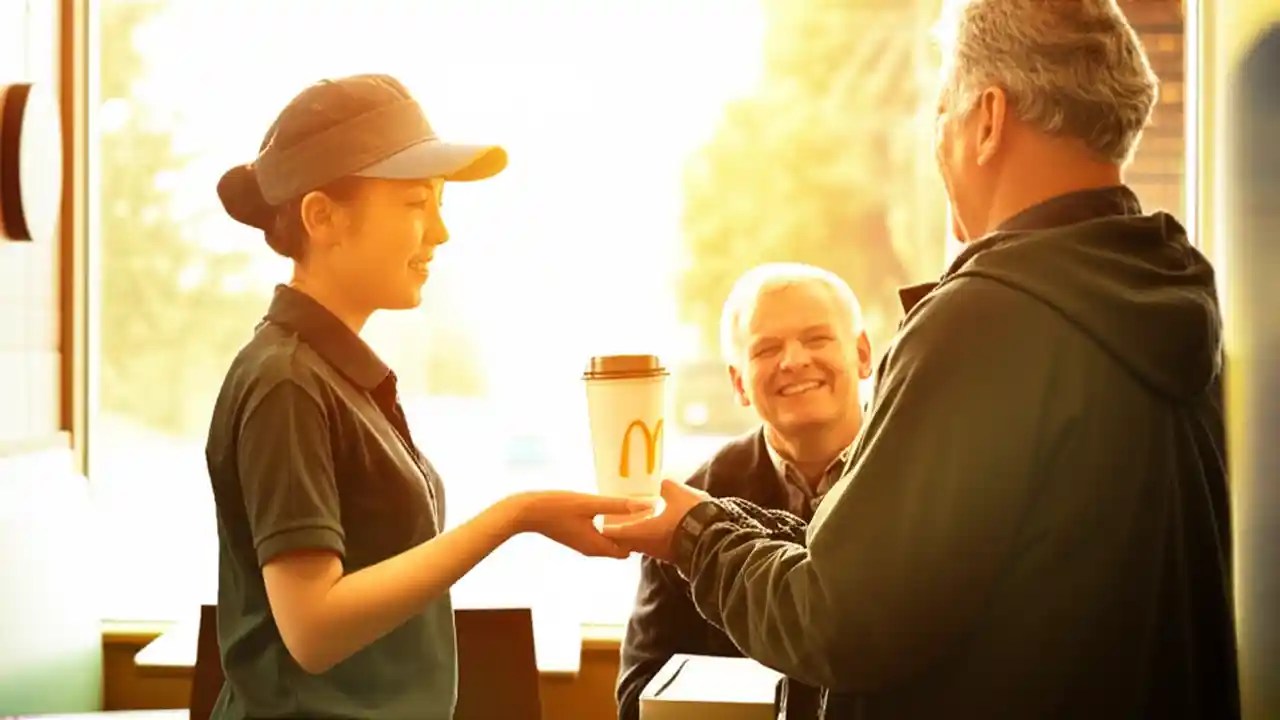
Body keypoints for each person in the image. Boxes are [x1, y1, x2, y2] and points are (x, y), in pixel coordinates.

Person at [606, 1, 1240, 718]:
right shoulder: (1173, 296)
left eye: (943, 111)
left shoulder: (984, 321)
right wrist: (721, 522)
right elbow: (942, 576)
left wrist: (697, 539)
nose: (936, 143)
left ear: (989, 119)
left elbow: (841, 622)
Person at [206, 73, 644, 720]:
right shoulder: (287, 383)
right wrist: (514, 516)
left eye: (439, 203)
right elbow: (314, 629)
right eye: (416, 203)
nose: (439, 232)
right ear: (322, 216)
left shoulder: (335, 376)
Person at [615, 263, 873, 720]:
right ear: (738, 383)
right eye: (767, 348)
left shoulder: (916, 477)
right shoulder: (689, 505)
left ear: (864, 354)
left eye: (816, 339)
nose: (794, 361)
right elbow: (640, 694)